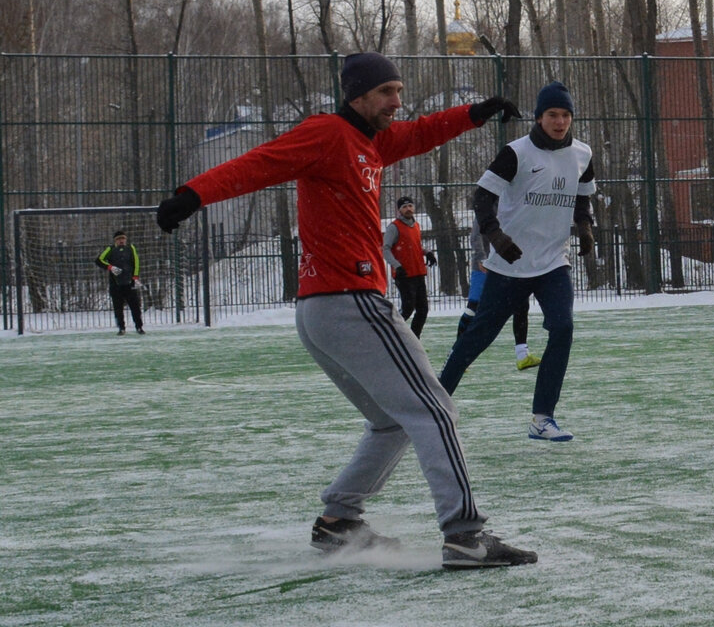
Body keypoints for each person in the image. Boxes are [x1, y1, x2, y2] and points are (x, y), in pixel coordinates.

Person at [154, 52, 536, 569]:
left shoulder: (371, 142)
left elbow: (422, 133)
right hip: (350, 301)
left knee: (391, 421)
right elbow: (260, 162)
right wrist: (193, 194)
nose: (396, 102)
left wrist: (476, 112)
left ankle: (338, 522)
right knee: (435, 410)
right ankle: (466, 536)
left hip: (323, 311)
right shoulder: (328, 133)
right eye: (386, 92)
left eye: (399, 91)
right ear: (357, 95)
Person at [439, 80, 596, 442]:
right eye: (552, 114)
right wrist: (496, 236)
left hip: (554, 262)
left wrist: (584, 227)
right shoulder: (516, 152)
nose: (560, 121)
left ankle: (543, 418)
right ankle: (432, 405)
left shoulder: (582, 154)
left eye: (566, 115)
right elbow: (481, 198)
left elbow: (582, 197)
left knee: (563, 327)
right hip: (510, 265)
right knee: (477, 337)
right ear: (540, 117)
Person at [457, 218, 542, 371]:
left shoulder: (512, 206)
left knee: (521, 305)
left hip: (508, 266)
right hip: (485, 267)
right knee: (473, 309)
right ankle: (457, 354)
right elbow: (475, 236)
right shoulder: (487, 206)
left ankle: (522, 355)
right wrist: (482, 257)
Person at [383, 195, 437, 338]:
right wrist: (397, 266)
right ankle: (390, 332)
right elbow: (385, 249)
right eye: (404, 207)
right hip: (404, 274)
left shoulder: (416, 225)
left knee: (423, 309)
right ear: (399, 210)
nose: (408, 209)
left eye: (410, 206)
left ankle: (414, 338)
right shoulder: (394, 227)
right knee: (407, 309)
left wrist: (427, 253)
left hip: (418, 272)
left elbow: (415, 246)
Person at [95, 230, 145, 335]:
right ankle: (121, 328)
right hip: (116, 284)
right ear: (115, 241)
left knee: (135, 306)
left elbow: (136, 262)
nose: (121, 241)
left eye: (123, 239)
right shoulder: (110, 249)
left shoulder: (131, 248)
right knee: (118, 308)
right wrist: (110, 267)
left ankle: (139, 327)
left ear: (125, 240)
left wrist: (135, 277)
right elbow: (99, 260)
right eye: (118, 239)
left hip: (130, 283)